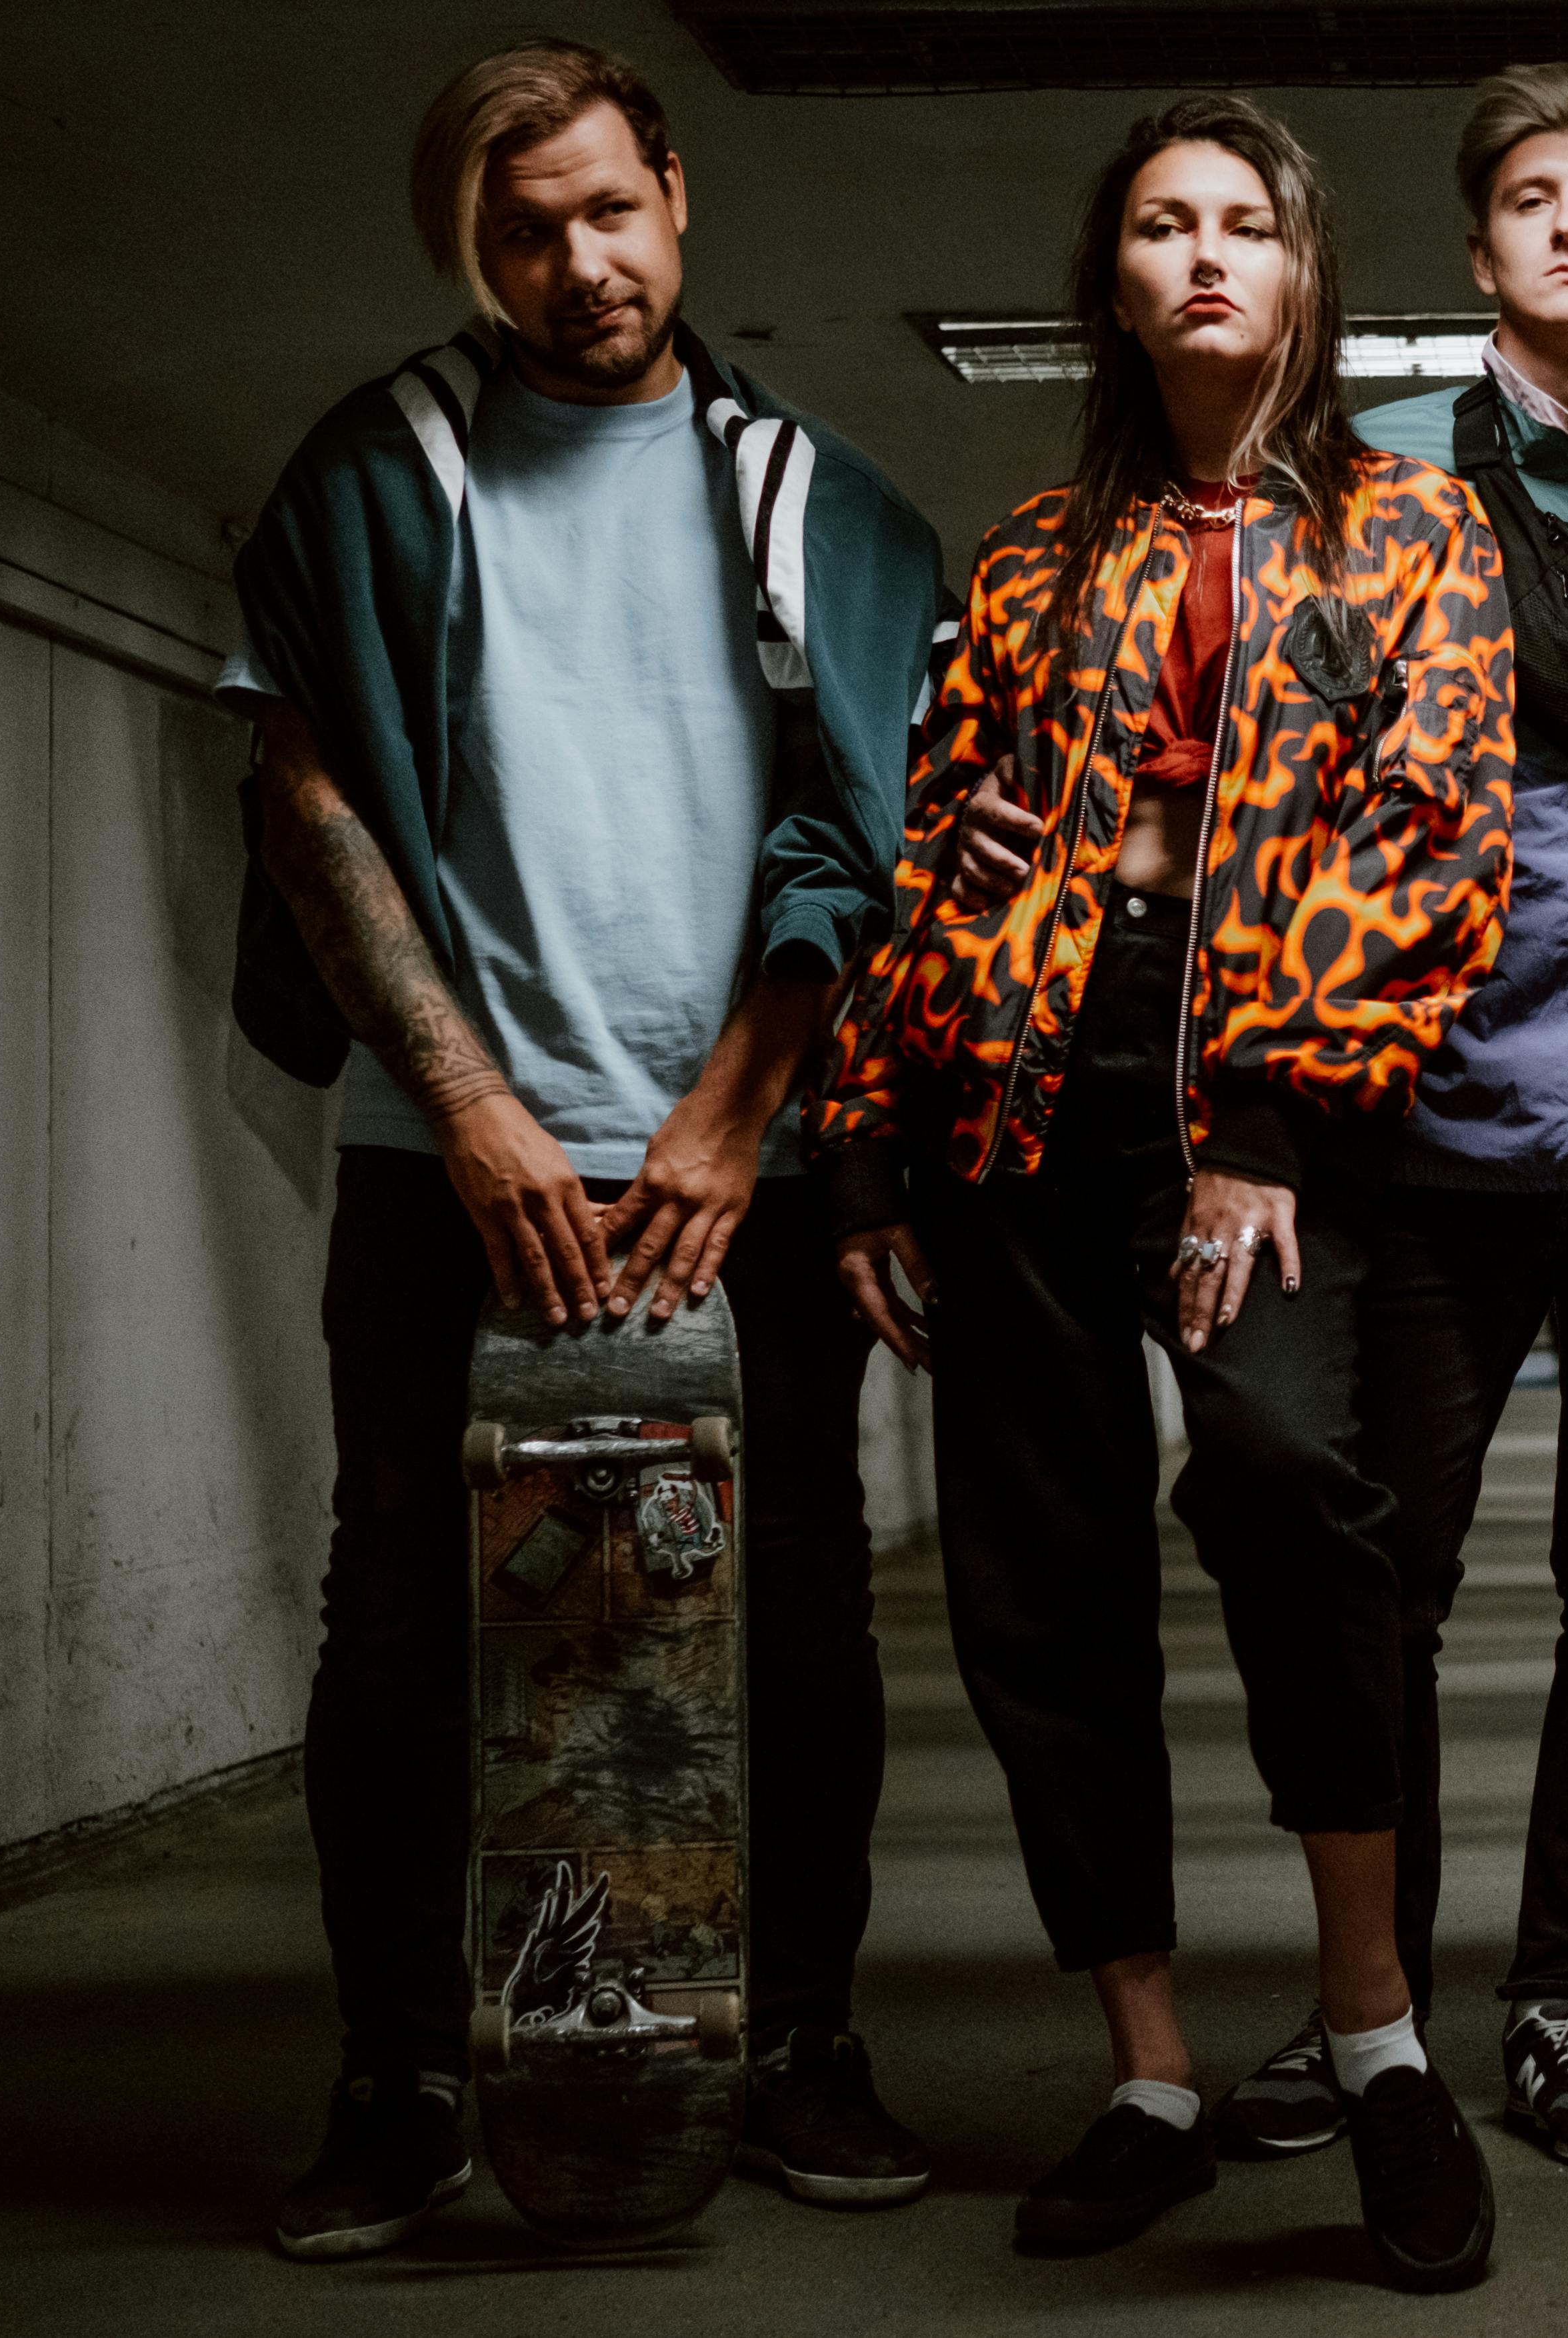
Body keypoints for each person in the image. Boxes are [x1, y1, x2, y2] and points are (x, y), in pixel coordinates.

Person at [951, 61, 1568, 2175]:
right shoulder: (1372, 477)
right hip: (1420, 1124)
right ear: (1472, 251)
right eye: (1528, 201)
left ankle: (1562, 1998)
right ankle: (1361, 2000)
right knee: (1367, 1571)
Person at [221, 41, 949, 2259]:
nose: (577, 261)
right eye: (525, 226)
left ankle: (795, 2031)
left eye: (609, 209)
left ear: (679, 197)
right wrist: (468, 1110)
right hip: (438, 1154)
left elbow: (861, 828)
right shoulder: (369, 481)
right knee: (404, 1617)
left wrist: (738, 1119)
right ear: (477, 241)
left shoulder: (814, 500)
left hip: (740, 1144)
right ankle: (405, 2072)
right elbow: (313, 799)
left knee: (797, 1598)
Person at [810, 95, 1519, 2290]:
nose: (1205, 255)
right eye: (1160, 226)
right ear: (1113, 279)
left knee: (1301, 1488)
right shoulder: (1034, 552)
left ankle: (1380, 2028)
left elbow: (1443, 851)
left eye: (1245, 224)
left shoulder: (1418, 531)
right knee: (1039, 1577)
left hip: (1266, 1101)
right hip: (1015, 1099)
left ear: (1305, 274)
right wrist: (863, 1137)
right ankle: (1145, 2063)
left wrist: (1266, 1132)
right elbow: (943, 858)